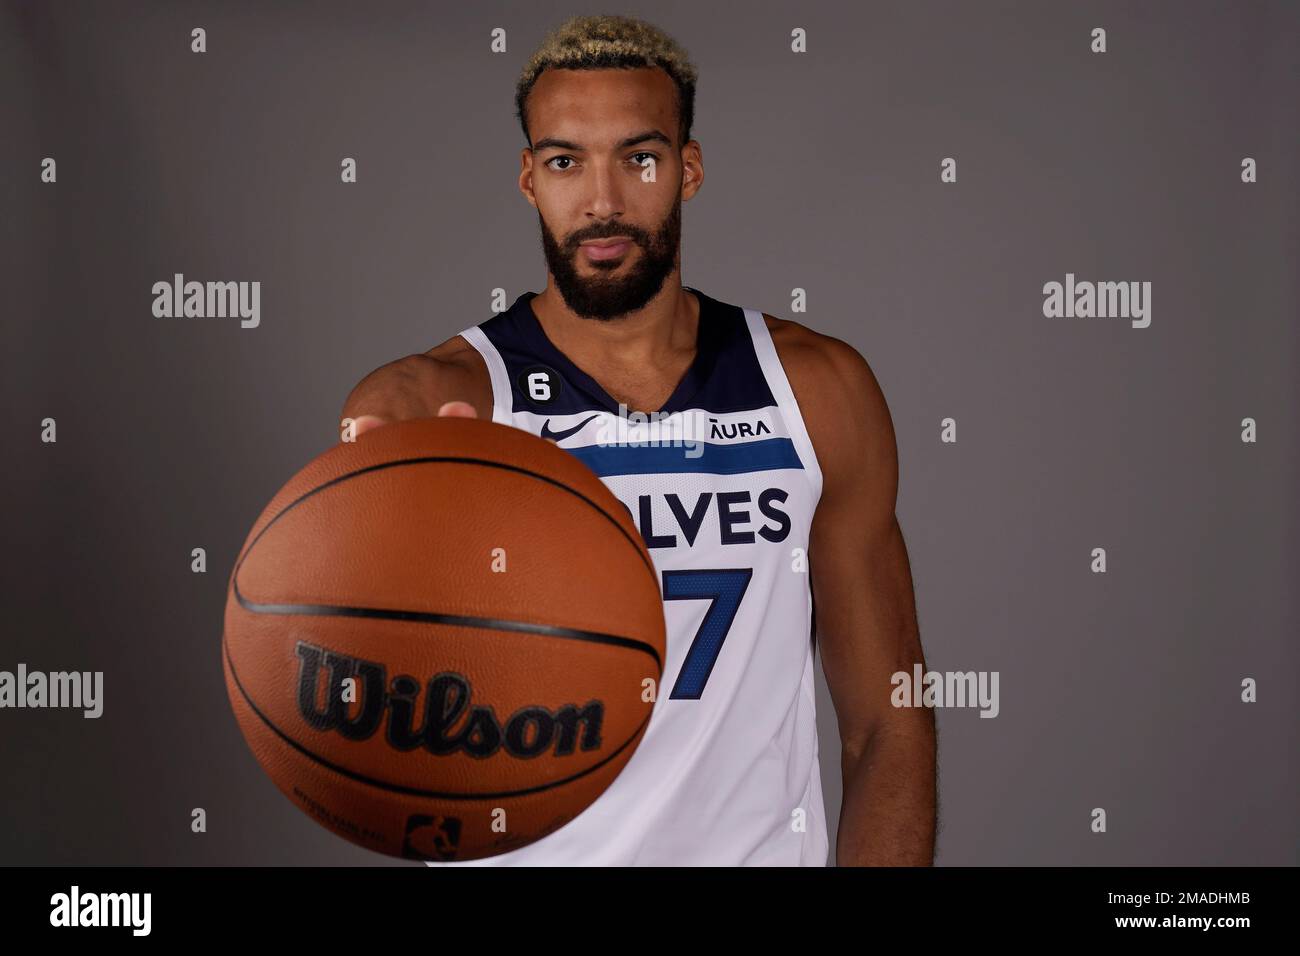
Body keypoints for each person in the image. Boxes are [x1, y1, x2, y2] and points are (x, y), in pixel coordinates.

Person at [342, 14, 934, 865]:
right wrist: (381, 499)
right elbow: (359, 672)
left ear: (688, 169)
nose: (603, 200)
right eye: (564, 161)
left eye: (640, 157)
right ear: (529, 179)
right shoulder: (450, 399)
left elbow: (888, 718)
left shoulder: (814, 389)